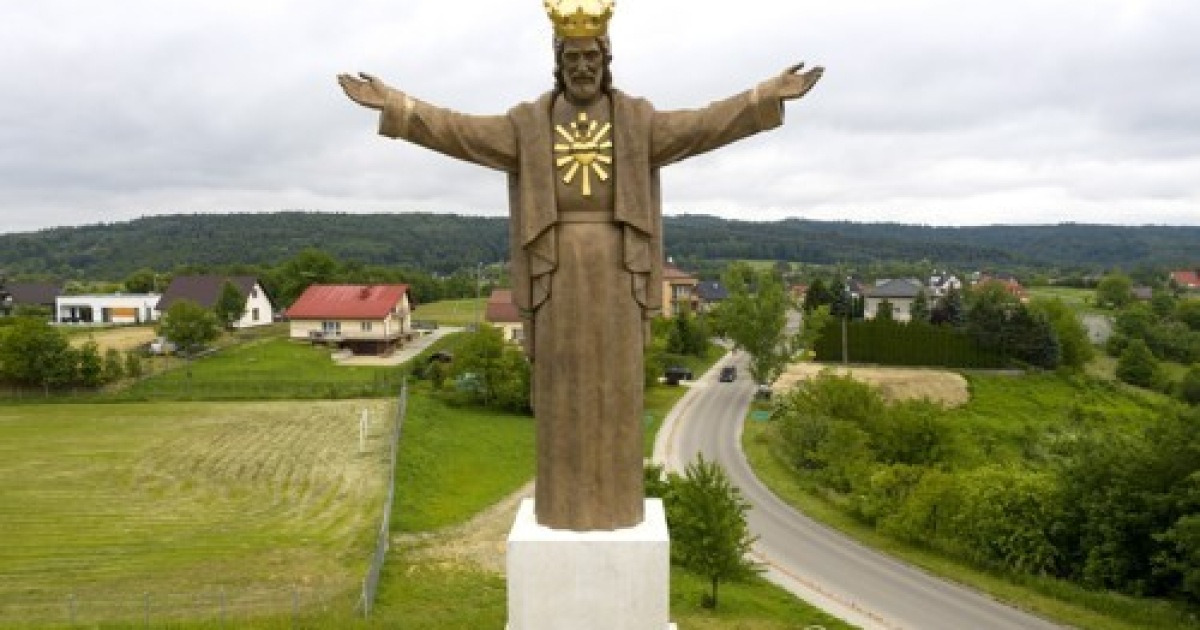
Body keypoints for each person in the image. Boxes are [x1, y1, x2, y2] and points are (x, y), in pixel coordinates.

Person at [338, 0, 822, 531]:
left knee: (616, 389)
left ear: (606, 58)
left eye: (591, 57)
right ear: (558, 62)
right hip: (557, 272)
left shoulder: (636, 121)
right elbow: (461, 132)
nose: (583, 67)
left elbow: (703, 126)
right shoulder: (529, 125)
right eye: (573, 58)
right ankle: (563, 508)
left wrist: (761, 97)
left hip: (619, 268)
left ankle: (617, 505)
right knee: (561, 389)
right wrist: (399, 106)